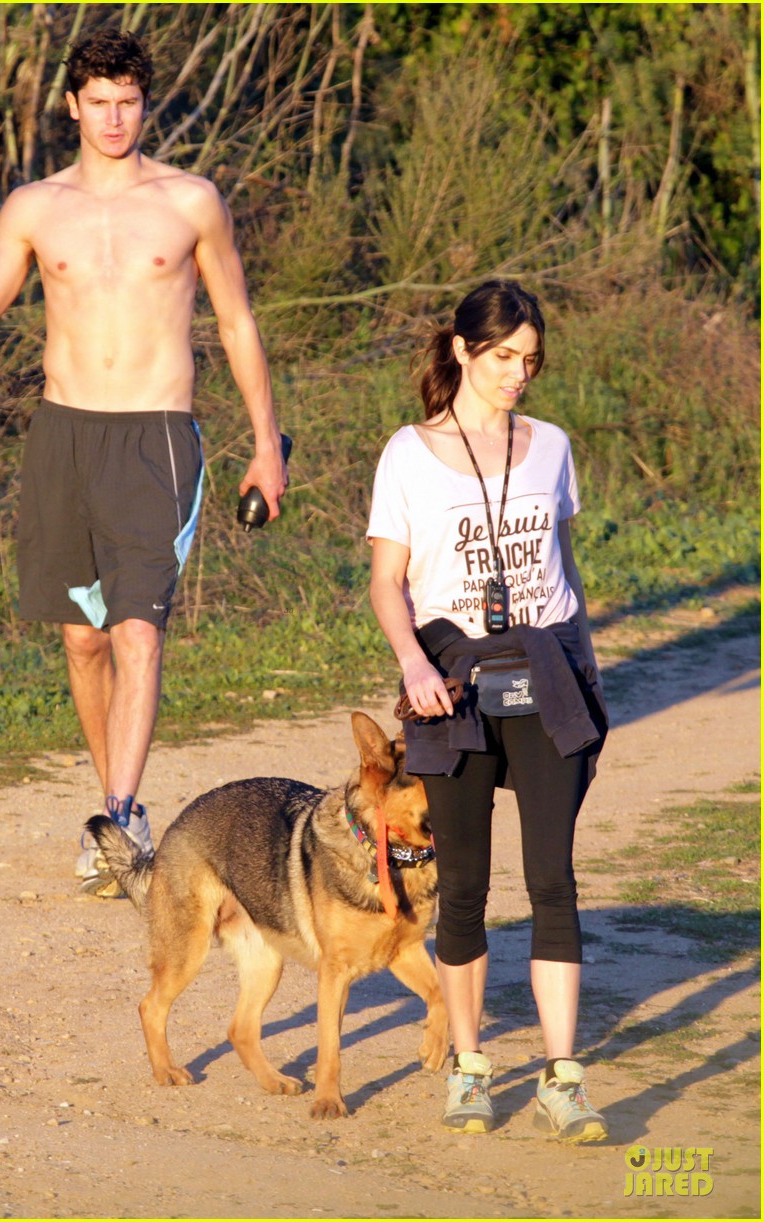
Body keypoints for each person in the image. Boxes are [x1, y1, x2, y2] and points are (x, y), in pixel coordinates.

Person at [0, 29, 287, 895]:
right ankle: (116, 811)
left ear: (147, 104)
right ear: (71, 105)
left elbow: (239, 324)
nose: (113, 117)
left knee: (138, 629)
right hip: (63, 437)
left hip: (156, 439)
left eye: (129, 102)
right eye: (98, 102)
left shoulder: (191, 201)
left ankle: (122, 814)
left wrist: (263, 446)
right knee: (82, 639)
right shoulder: (34, 207)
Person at [367, 280, 609, 1143]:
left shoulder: (552, 448)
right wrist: (411, 664)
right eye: (504, 357)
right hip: (453, 683)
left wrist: (584, 672)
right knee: (463, 887)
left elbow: (566, 569)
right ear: (464, 351)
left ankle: (563, 1078)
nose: (518, 374)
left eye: (531, 361)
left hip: (544, 673)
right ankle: (470, 1070)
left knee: (554, 881)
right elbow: (386, 582)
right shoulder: (408, 452)